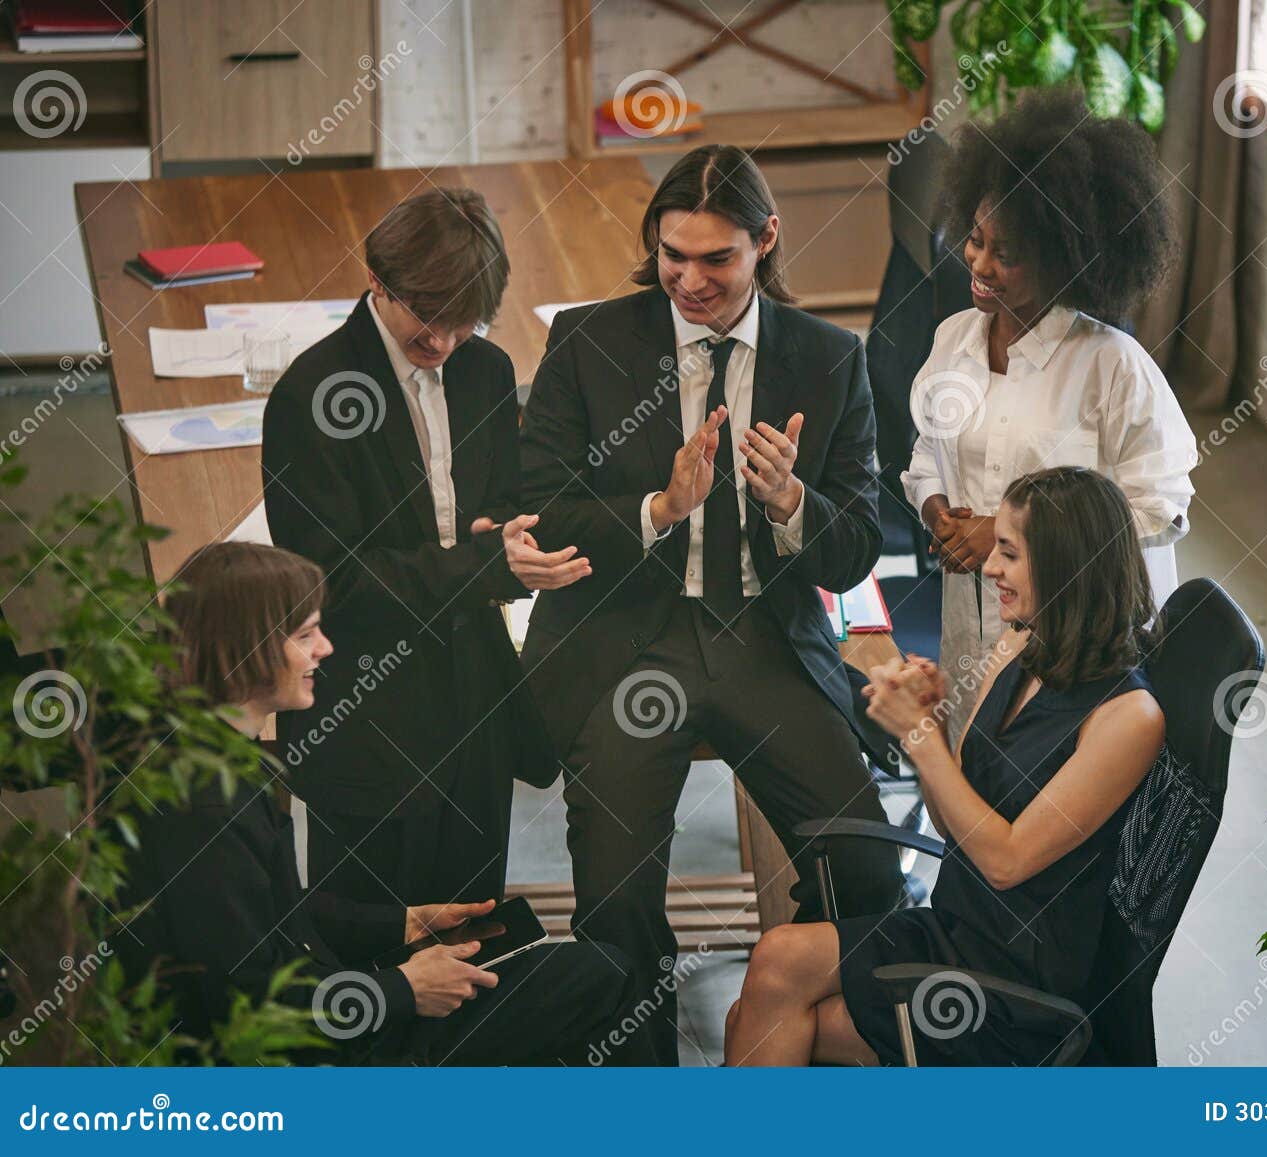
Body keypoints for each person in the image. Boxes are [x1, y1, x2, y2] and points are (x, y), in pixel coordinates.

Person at [518, 144, 906, 1065]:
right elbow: (541, 506)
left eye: (716, 259)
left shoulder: (830, 358)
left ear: (765, 241)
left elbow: (857, 548)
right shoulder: (588, 340)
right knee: (612, 900)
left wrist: (793, 509)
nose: (688, 280)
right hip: (627, 640)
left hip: (762, 639)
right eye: (672, 255)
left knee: (866, 868)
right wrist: (657, 509)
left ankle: (805, 1039)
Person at [114, 541, 653, 1065]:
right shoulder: (203, 807)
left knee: (585, 973)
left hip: (335, 1007)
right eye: (306, 635)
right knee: (600, 977)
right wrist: (401, 989)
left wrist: (404, 924)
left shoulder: (211, 760)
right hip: (321, 1053)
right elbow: (246, 1003)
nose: (325, 649)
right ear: (248, 650)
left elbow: (273, 916)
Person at [724, 467, 1168, 1066]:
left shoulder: (1129, 717)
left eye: (1009, 553)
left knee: (772, 1020)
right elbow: (953, 813)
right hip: (958, 929)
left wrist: (920, 735)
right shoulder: (1019, 645)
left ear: (1065, 566)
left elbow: (1006, 862)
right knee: (774, 960)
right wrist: (926, 727)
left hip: (1019, 987)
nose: (989, 568)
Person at [262, 188, 586, 906]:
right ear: (377, 280)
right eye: (426, 319)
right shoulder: (309, 397)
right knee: (378, 949)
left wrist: (502, 537)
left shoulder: (488, 372)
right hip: (365, 712)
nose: (441, 342)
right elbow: (331, 585)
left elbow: (501, 500)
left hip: (474, 697)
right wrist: (481, 561)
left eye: (463, 324)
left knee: (473, 927)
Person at [903, 85, 1199, 735]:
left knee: (1037, 809)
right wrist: (938, 510)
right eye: (975, 239)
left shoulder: (1111, 367)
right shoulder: (954, 339)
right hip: (971, 628)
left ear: (1063, 260)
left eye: (1005, 254)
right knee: (968, 780)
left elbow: (1157, 509)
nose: (978, 264)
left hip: (1074, 652)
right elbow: (929, 451)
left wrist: (1016, 541)